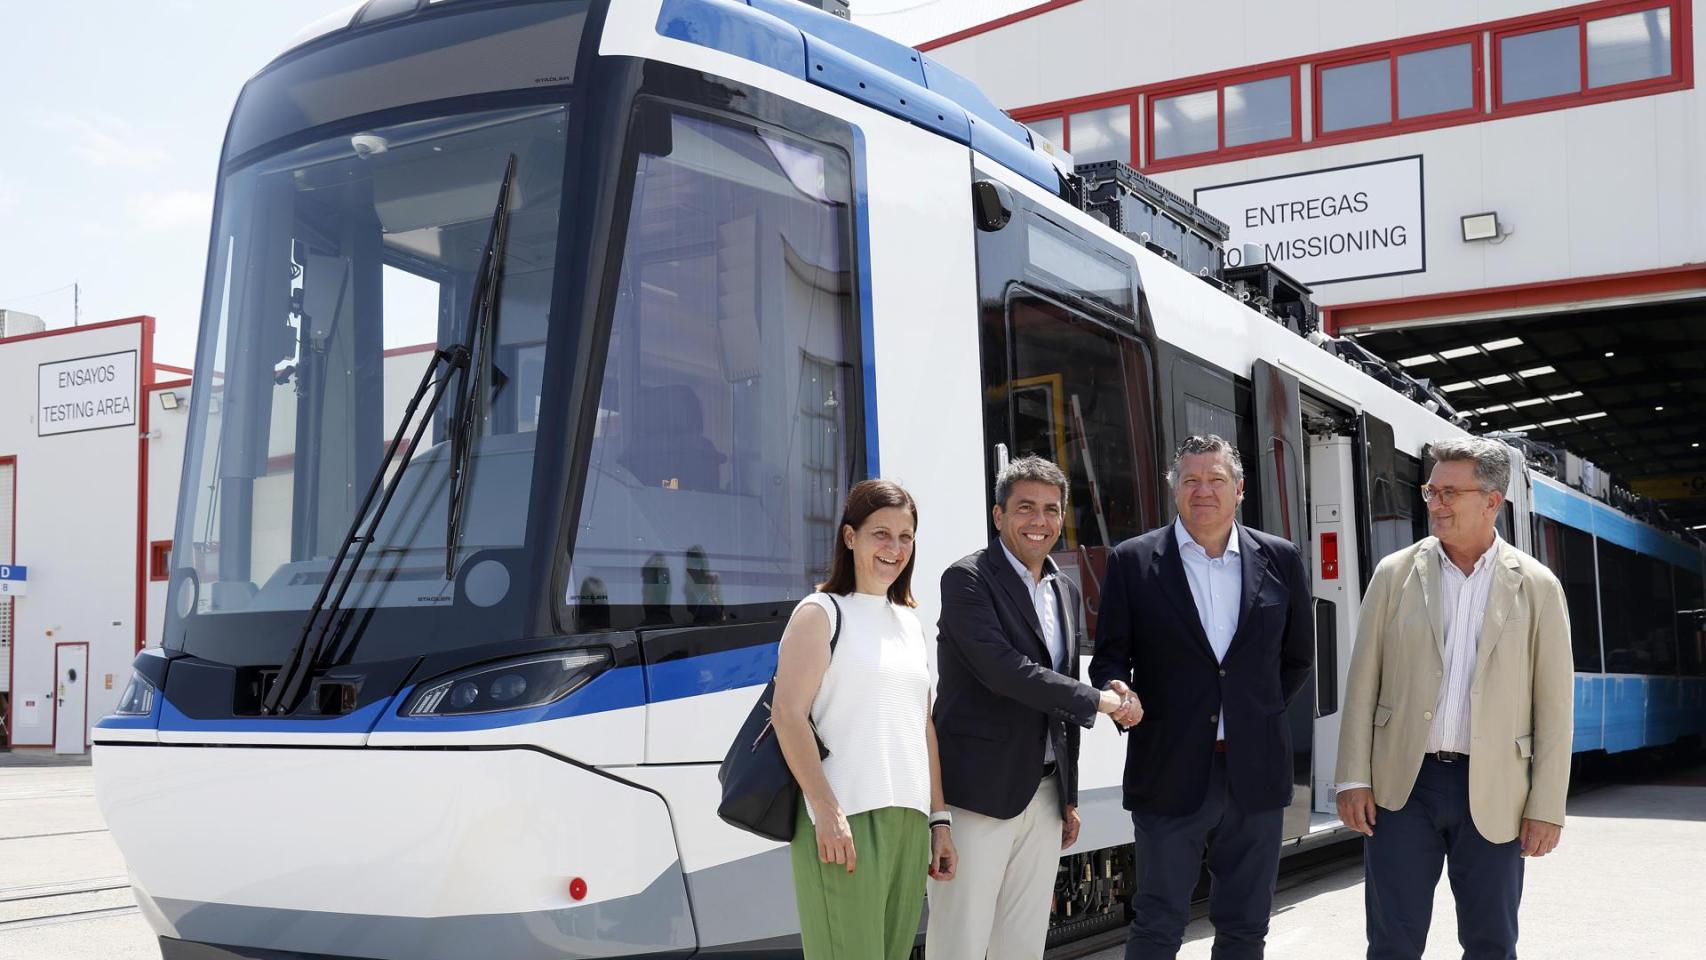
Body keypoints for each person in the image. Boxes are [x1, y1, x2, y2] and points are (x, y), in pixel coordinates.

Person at [1335, 437, 1572, 960]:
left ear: (1492, 501)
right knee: (1392, 942)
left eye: (1449, 492)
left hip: (1495, 788)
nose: (1436, 504)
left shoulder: (1537, 587)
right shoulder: (1395, 574)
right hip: (1404, 786)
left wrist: (1547, 805)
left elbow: (1554, 708)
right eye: (1431, 491)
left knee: (1491, 942)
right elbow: (1362, 680)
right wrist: (1353, 776)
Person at [1091, 435, 1313, 960]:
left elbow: (1298, 657)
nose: (1203, 491)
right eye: (1190, 480)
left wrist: (1248, 713)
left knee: (1245, 927)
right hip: (1167, 768)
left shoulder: (1281, 559)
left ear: (1239, 490)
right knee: (1157, 923)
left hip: (1254, 772)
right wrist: (1119, 690)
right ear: (1175, 491)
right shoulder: (1133, 560)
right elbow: (1109, 658)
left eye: (1215, 480)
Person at [927, 455, 1141, 960]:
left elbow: (1058, 692)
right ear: (999, 515)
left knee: (1021, 945)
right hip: (977, 796)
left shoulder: (1064, 589)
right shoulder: (967, 579)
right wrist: (1104, 702)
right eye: (1025, 507)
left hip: (1044, 795)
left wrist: (1068, 795)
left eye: (1050, 509)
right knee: (959, 943)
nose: (1039, 521)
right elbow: (1006, 673)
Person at [771, 479, 957, 960]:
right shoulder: (820, 613)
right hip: (844, 817)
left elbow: (924, 728)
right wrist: (825, 810)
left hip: (908, 821)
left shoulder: (908, 623)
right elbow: (787, 715)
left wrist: (938, 819)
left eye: (906, 537)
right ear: (850, 537)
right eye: (881, 534)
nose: (894, 549)